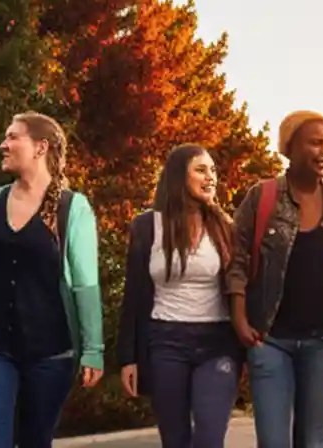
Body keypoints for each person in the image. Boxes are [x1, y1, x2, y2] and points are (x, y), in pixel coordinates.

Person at [0, 111, 104, 448]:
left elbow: (86, 286)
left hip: (50, 352)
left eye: (13, 137)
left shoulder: (73, 208)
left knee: (35, 442)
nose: (3, 144)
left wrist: (93, 350)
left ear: (40, 148)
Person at [225, 110, 323, 448]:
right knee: (273, 442)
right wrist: (240, 320)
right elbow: (237, 261)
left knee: (312, 443)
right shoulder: (263, 197)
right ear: (290, 148)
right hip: (270, 341)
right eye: (315, 143)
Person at [117, 144, 244, 448]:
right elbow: (133, 294)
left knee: (209, 439)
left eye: (213, 170)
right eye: (201, 170)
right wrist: (128, 358)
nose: (210, 176)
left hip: (217, 342)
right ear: (178, 176)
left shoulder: (226, 227)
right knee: (174, 440)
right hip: (165, 341)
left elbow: (242, 289)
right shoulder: (148, 226)